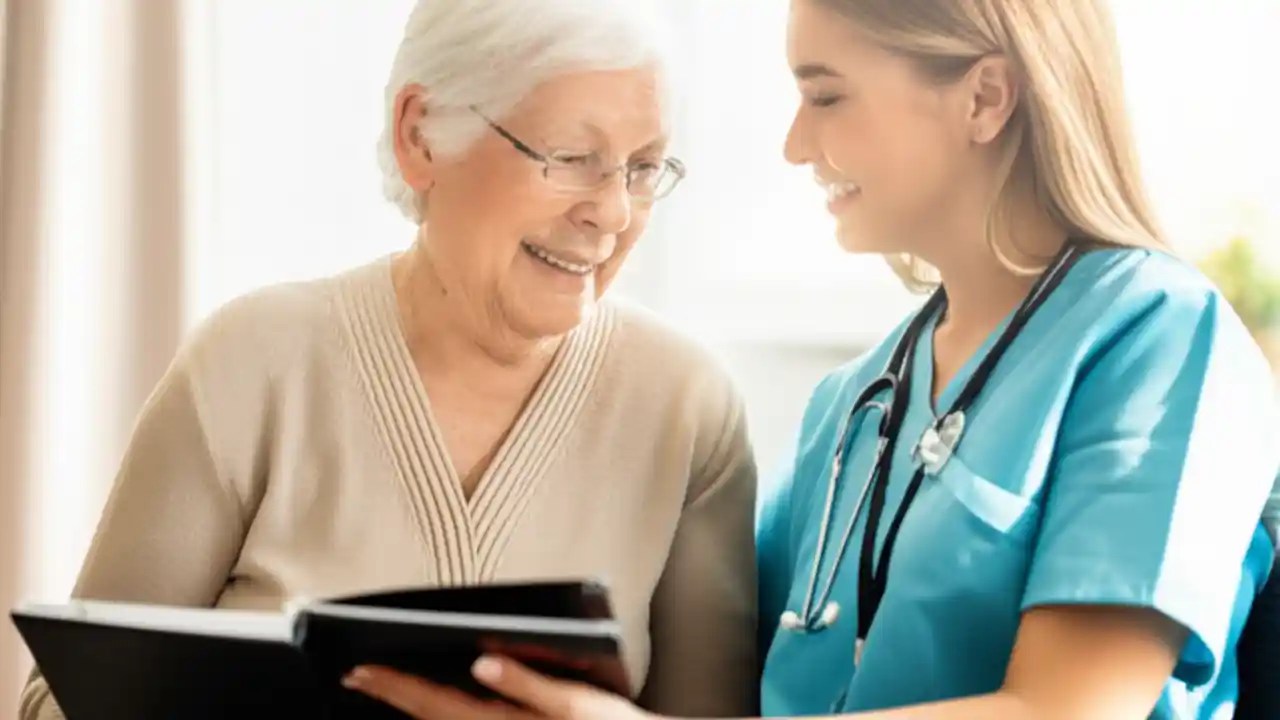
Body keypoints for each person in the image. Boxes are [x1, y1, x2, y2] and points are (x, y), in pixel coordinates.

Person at [341, 0, 1280, 718]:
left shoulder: (1157, 337)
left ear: (986, 97)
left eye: (825, 95)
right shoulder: (852, 405)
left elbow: (1067, 710)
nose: (794, 146)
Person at [17, 1, 762, 718]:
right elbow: (59, 704)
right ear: (422, 136)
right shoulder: (251, 364)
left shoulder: (687, 408)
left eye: (642, 168)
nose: (614, 212)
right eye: (572, 158)